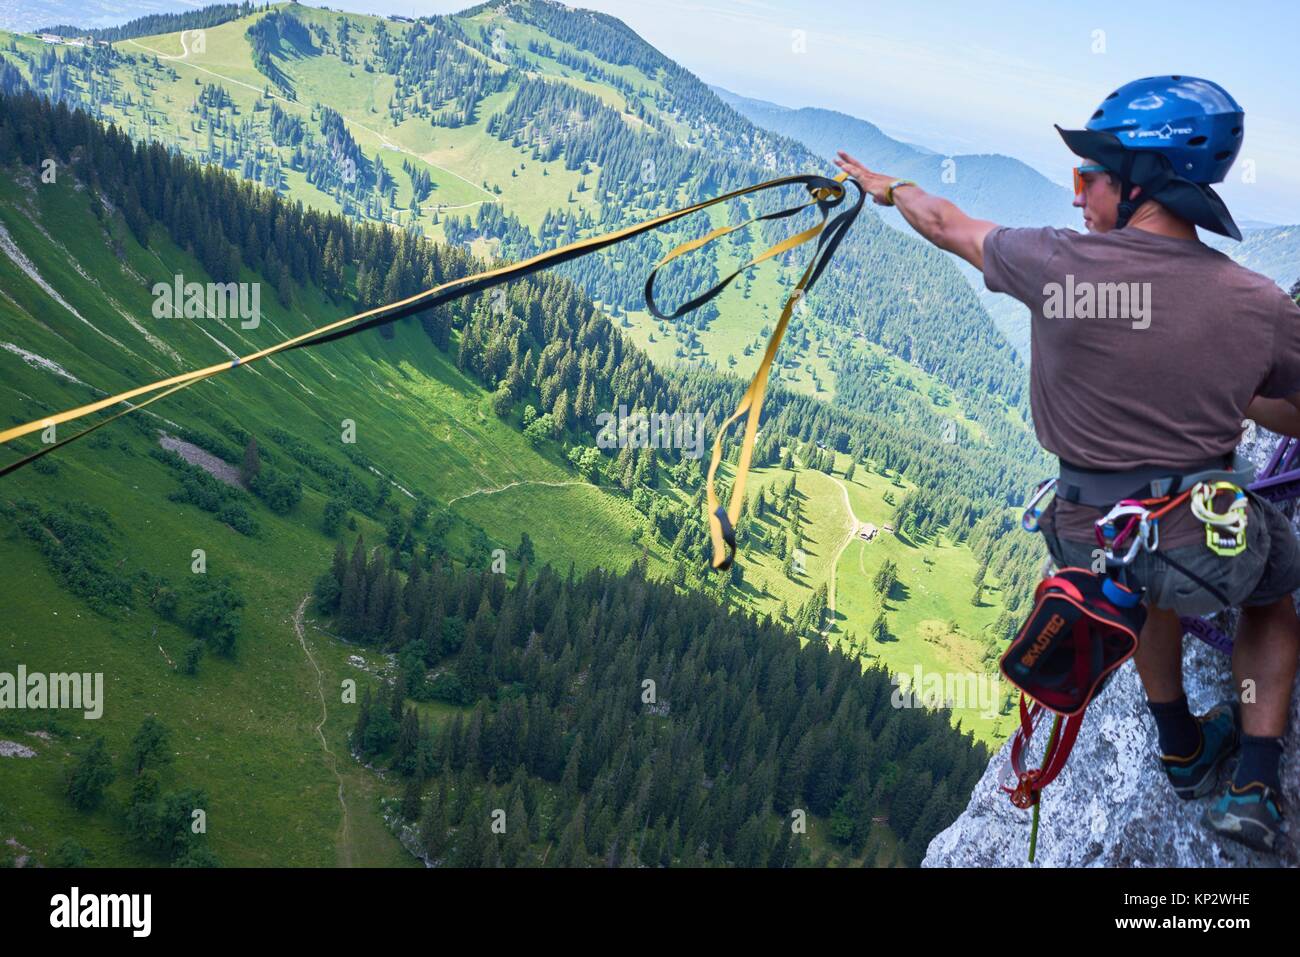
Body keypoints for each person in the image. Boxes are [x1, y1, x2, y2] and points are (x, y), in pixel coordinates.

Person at [835, 76, 1300, 853]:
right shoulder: (1256, 304)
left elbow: (944, 221)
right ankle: (1255, 781)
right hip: (1203, 548)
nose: (1078, 194)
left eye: (1090, 177)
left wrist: (890, 187)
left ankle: (1181, 745)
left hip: (1086, 543)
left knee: (1136, 565)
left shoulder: (1052, 262)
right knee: (1275, 585)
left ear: (1139, 184)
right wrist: (1235, 387)